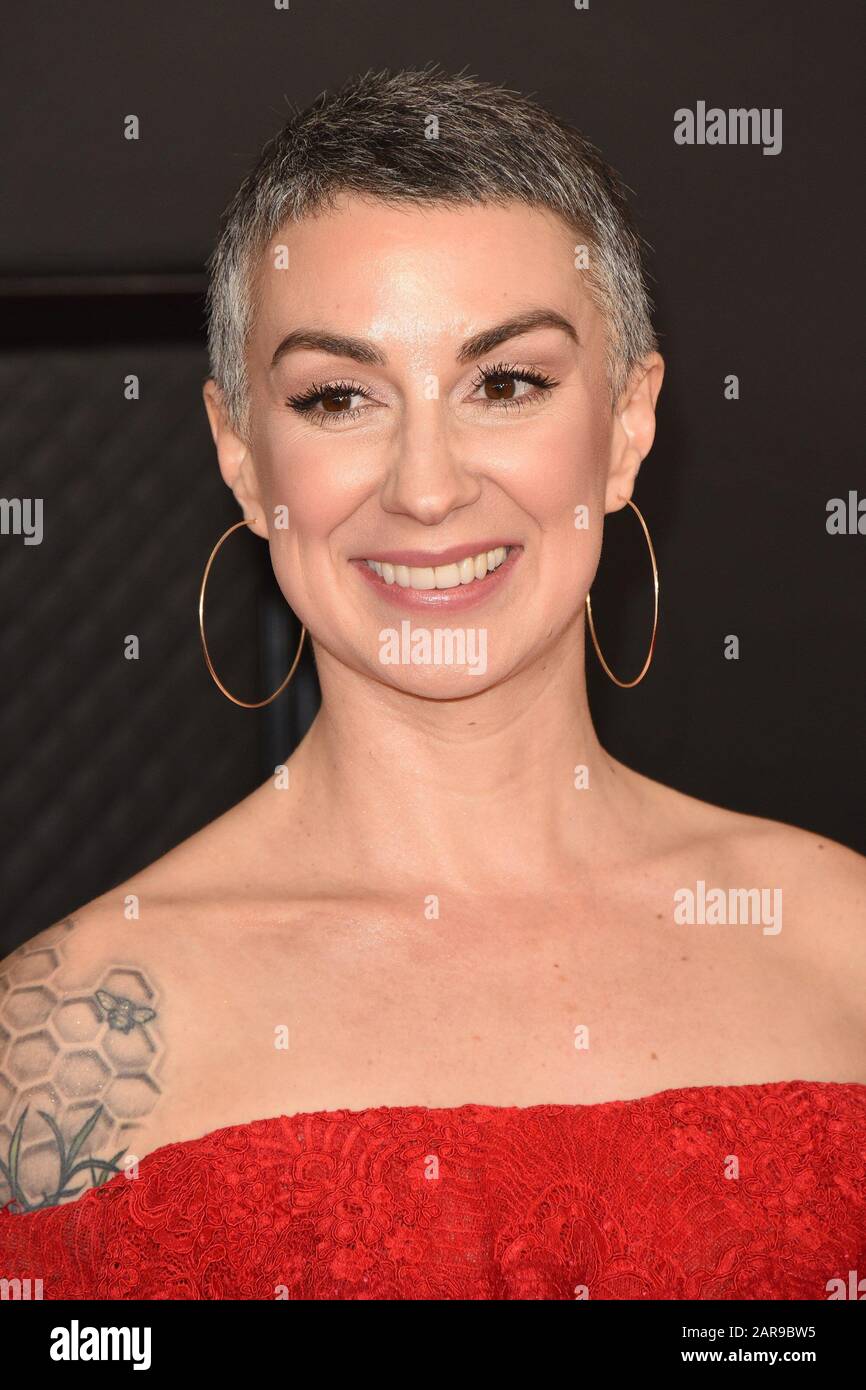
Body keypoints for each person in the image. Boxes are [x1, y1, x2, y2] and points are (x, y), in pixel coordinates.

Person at [1, 66, 864, 1300]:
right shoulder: (60, 1042)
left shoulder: (842, 946)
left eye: (504, 382)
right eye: (338, 396)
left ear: (626, 426)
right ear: (243, 461)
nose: (424, 485)